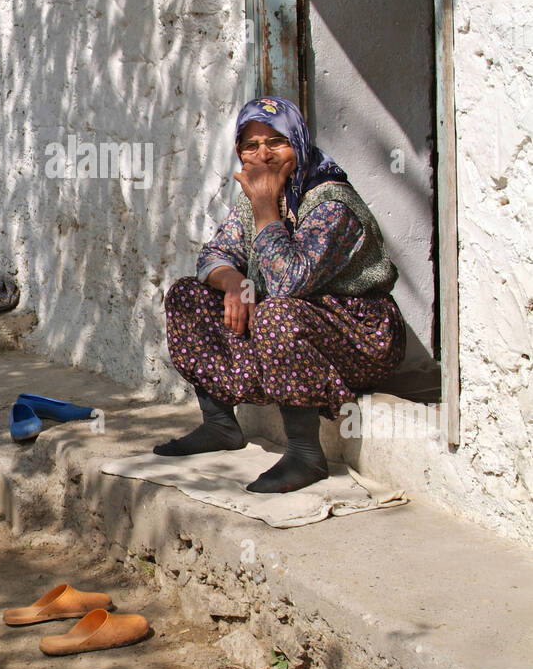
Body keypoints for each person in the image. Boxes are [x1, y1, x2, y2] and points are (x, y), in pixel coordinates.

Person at [156, 95, 406, 493]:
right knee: (189, 295)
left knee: (278, 312)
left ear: (300, 143)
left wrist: (266, 211)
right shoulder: (259, 197)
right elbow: (215, 255)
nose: (264, 154)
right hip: (299, 328)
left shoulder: (331, 204)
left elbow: (290, 280)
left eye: (277, 142)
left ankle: (307, 454)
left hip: (363, 336)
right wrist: (236, 283)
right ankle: (220, 424)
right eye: (251, 145)